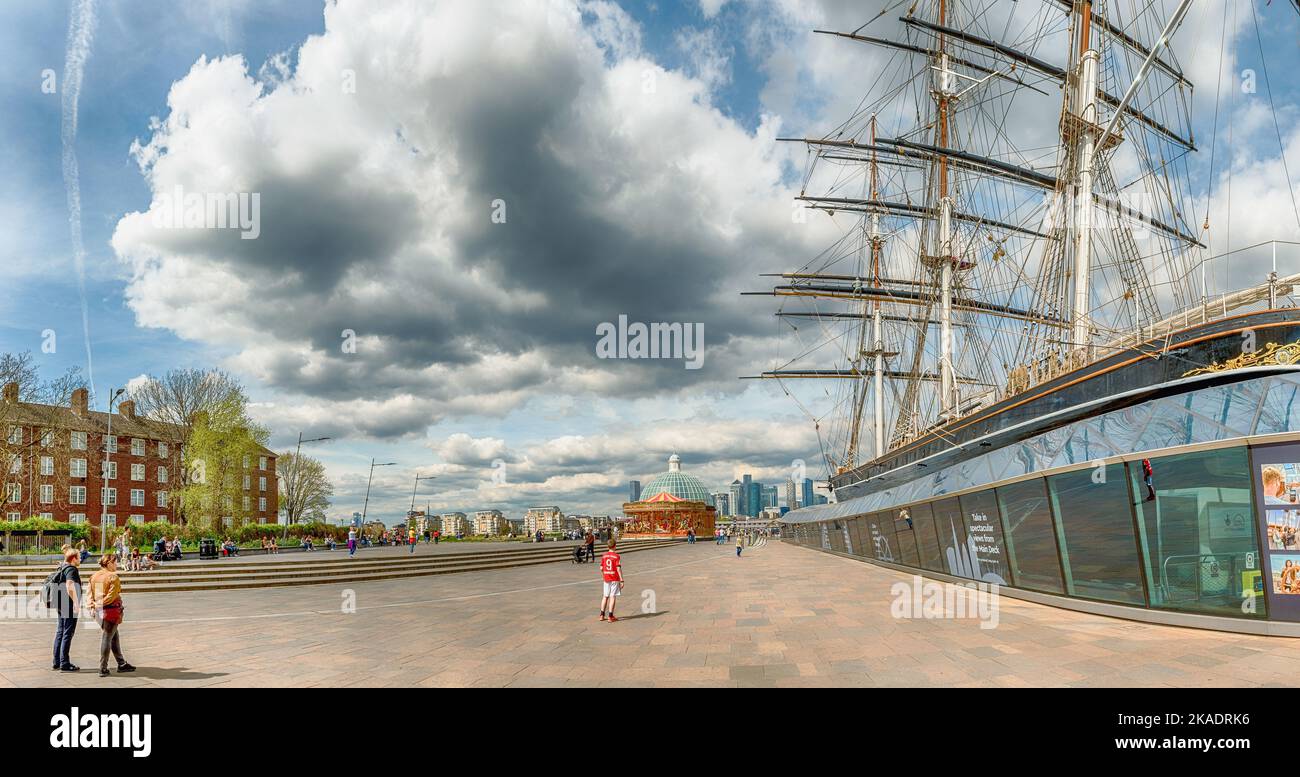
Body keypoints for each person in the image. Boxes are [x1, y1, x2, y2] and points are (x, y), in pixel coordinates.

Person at [87, 553, 136, 678]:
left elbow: (92, 594)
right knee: (107, 637)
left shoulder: (95, 576)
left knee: (113, 635)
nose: (117, 565)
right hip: (110, 611)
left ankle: (121, 663)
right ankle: (103, 668)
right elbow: (111, 595)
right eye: (115, 562)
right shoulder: (113, 577)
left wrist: (93, 606)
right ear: (108, 563)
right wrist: (99, 604)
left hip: (99, 611)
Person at [52, 548, 82, 672]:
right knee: (67, 633)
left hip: (60, 603)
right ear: (73, 558)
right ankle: (64, 662)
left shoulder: (62, 567)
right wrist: (75, 602)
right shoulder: (71, 569)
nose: (80, 559)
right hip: (68, 604)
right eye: (79, 557)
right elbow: (69, 584)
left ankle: (57, 661)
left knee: (60, 631)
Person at [599, 540, 624, 622]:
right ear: (615, 546)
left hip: (606, 578)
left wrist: (605, 574)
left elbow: (601, 568)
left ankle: (602, 615)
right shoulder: (616, 556)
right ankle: (610, 616)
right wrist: (622, 580)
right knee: (612, 596)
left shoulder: (604, 556)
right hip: (614, 578)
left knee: (605, 596)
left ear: (608, 546)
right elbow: (618, 568)